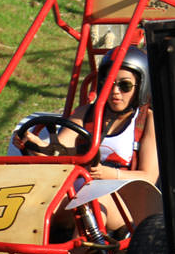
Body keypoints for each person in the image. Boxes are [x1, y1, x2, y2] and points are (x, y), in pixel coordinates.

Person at [13, 46, 160, 234]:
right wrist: (38, 145)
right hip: (78, 195)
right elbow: (61, 149)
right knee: (33, 201)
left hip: (124, 206)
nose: (115, 92)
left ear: (140, 86)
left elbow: (148, 177)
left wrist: (109, 174)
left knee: (95, 201)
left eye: (124, 86)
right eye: (109, 84)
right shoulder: (86, 113)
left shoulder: (146, 120)